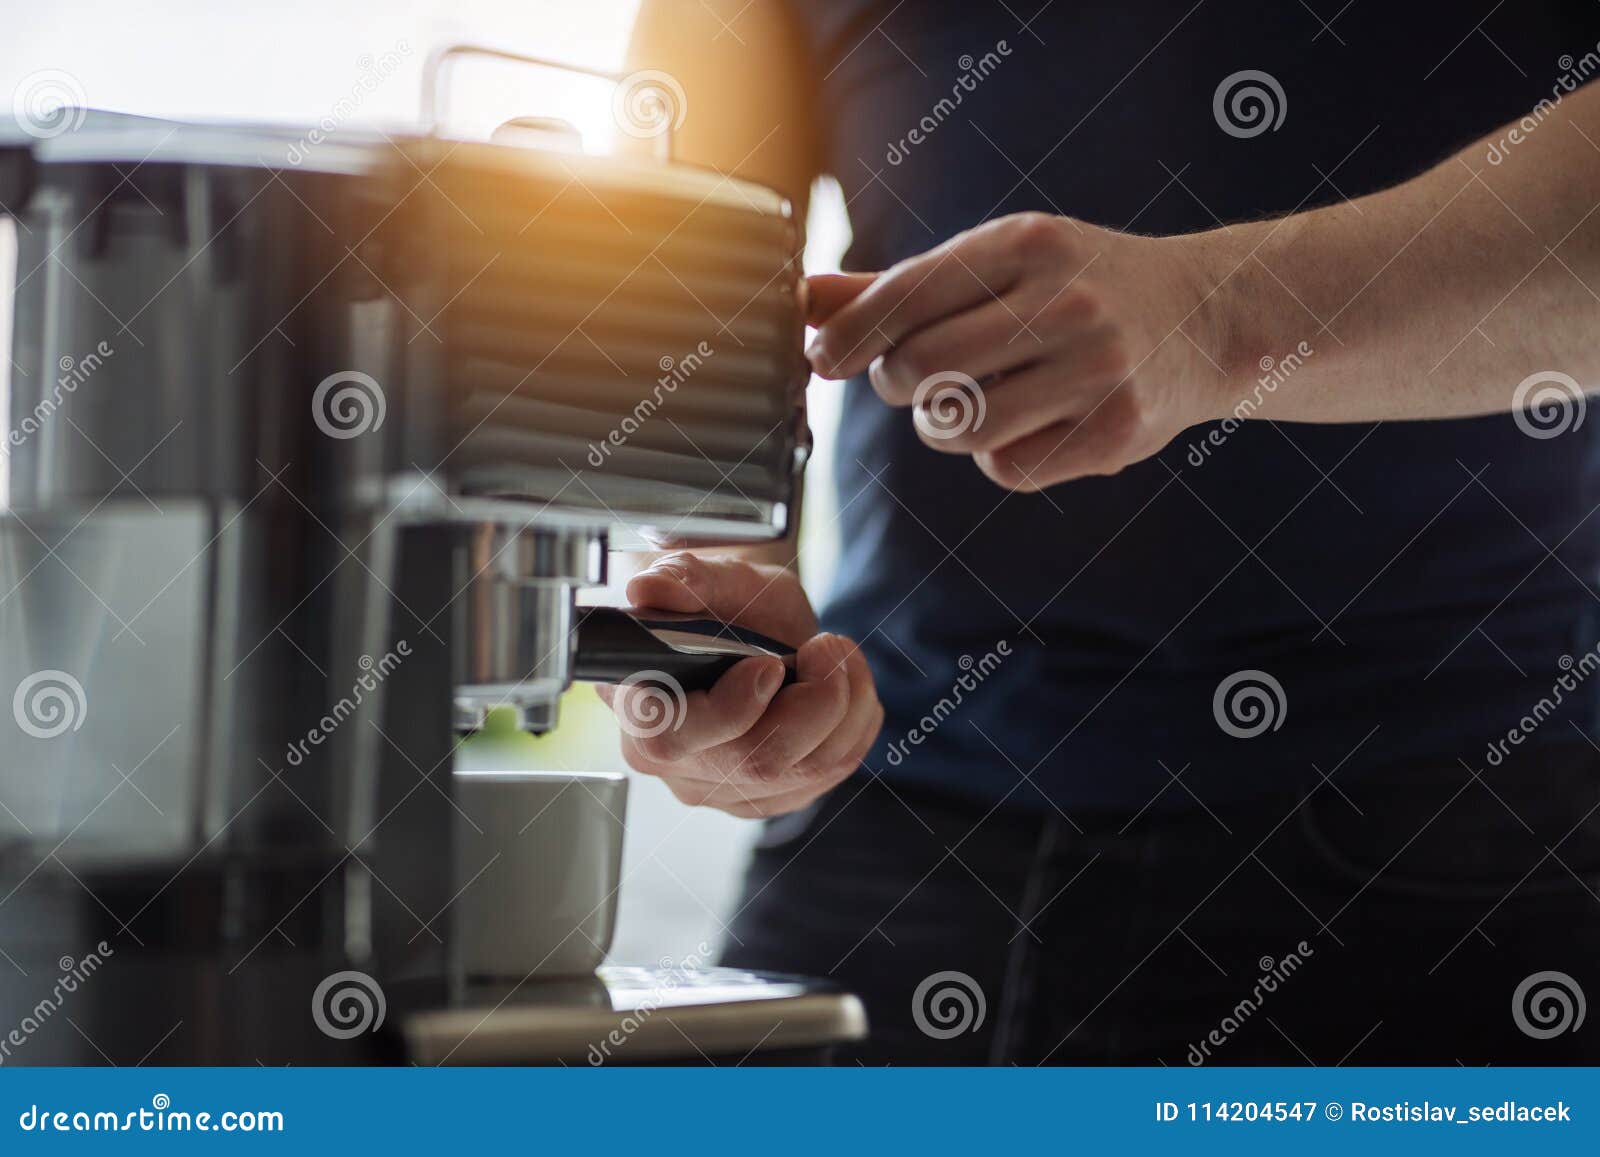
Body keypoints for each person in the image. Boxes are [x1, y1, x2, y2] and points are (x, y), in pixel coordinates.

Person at [602, 0, 1600, 1064]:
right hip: (896, 813)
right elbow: (676, 271)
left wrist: (1214, 317)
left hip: (1460, 805)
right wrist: (720, 620)